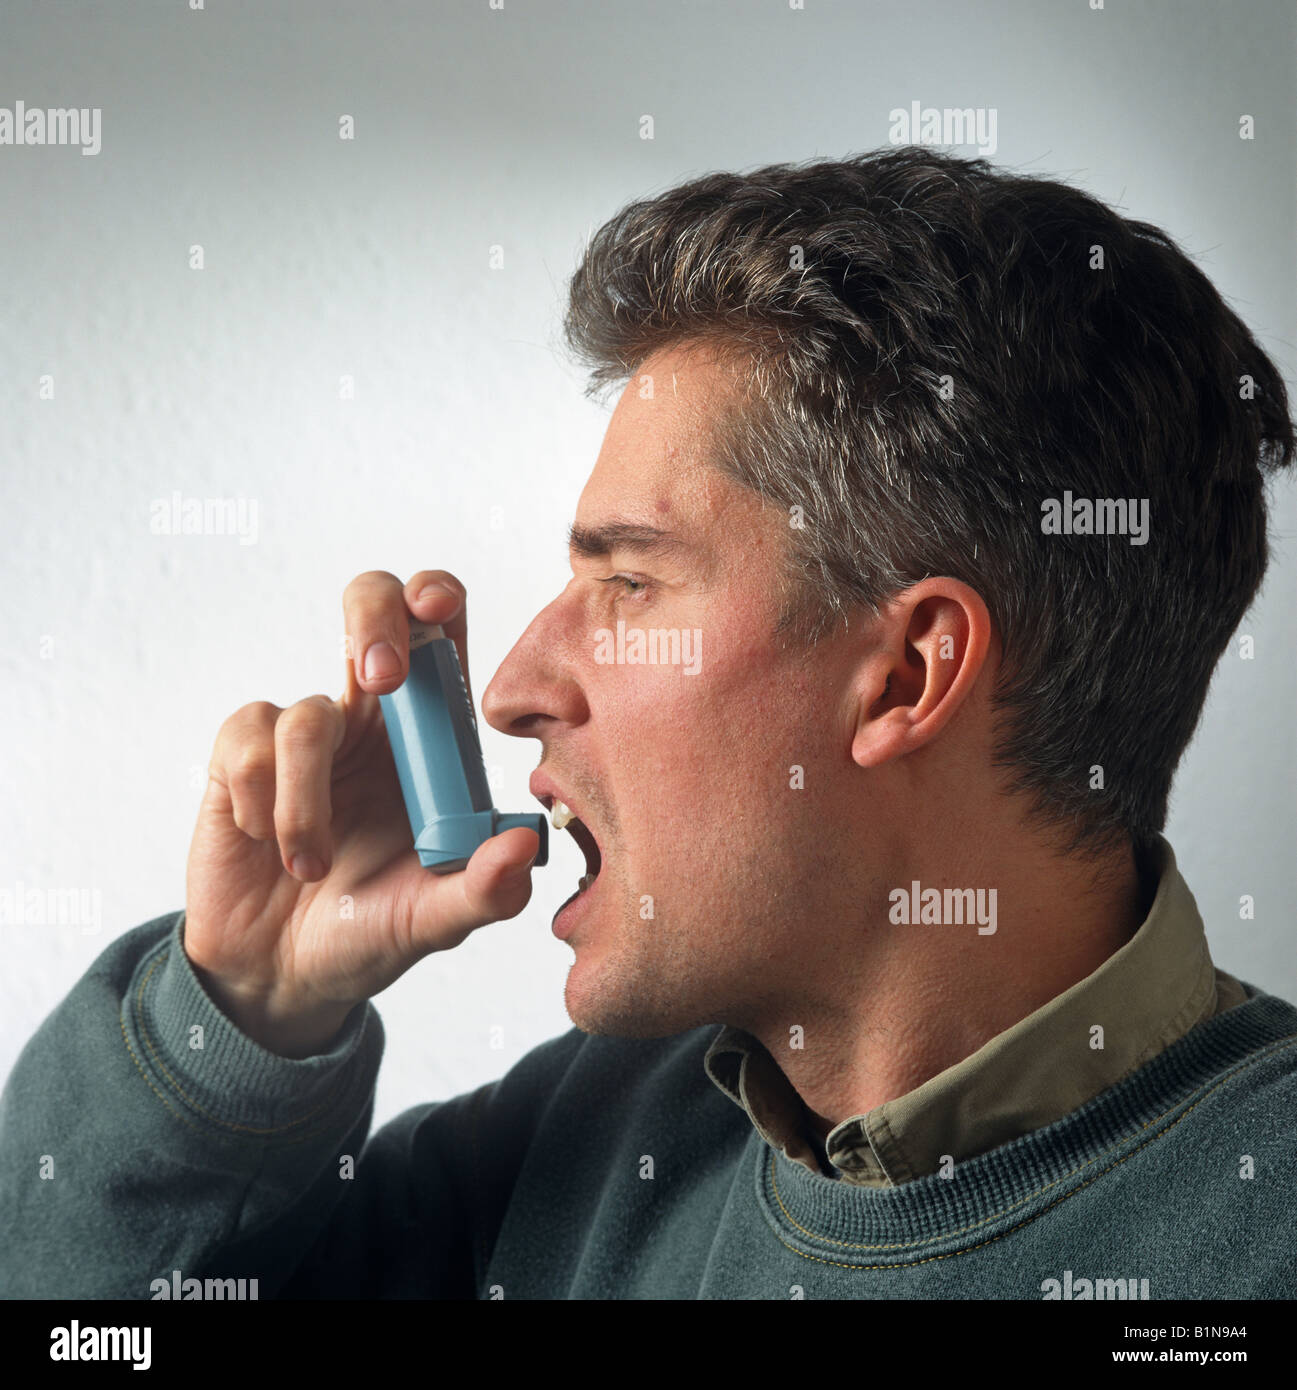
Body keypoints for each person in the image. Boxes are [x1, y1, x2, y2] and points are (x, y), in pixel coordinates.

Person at [2, 147, 1293, 1300]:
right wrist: (236, 1020)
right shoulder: (582, 1145)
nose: (506, 685)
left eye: (627, 583)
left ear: (905, 674)